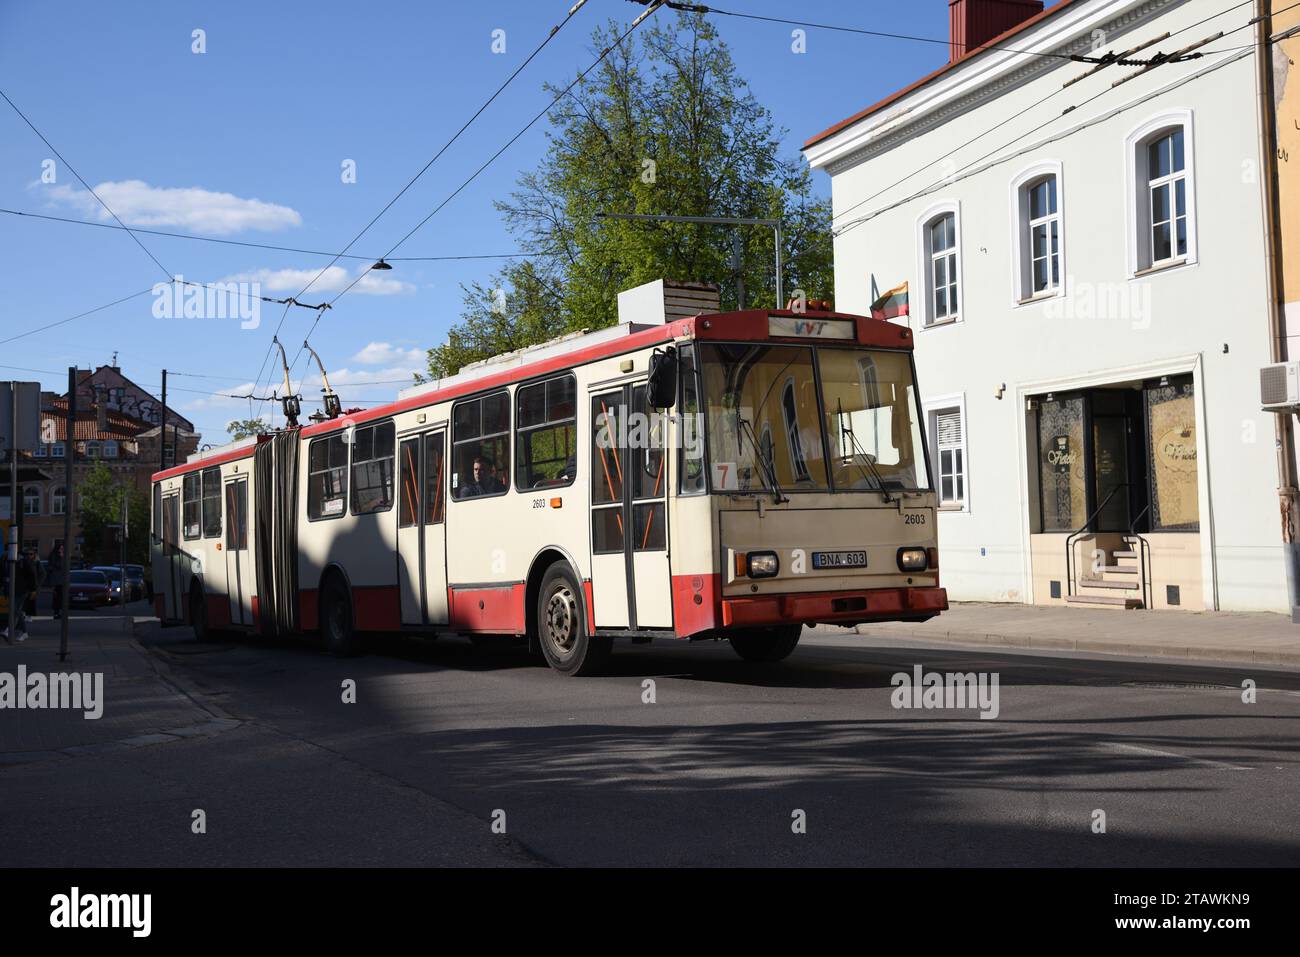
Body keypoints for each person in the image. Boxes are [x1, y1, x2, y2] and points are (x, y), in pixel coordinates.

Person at [2, 549, 40, 643]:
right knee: (17, 611)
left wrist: (33, 589)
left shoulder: (23, 561)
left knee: (15, 609)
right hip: (12, 589)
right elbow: (3, 574)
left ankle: (9, 630)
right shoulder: (5, 560)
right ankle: (24, 632)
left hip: (22, 590)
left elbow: (32, 575)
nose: (7, 553)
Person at [47, 543, 65, 619]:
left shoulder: (58, 556)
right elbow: (59, 565)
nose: (62, 550)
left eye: (62, 549)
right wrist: (61, 557)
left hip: (60, 580)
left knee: (60, 597)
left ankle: (58, 612)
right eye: (61, 548)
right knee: (57, 597)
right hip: (57, 581)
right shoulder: (55, 556)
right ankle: (56, 613)